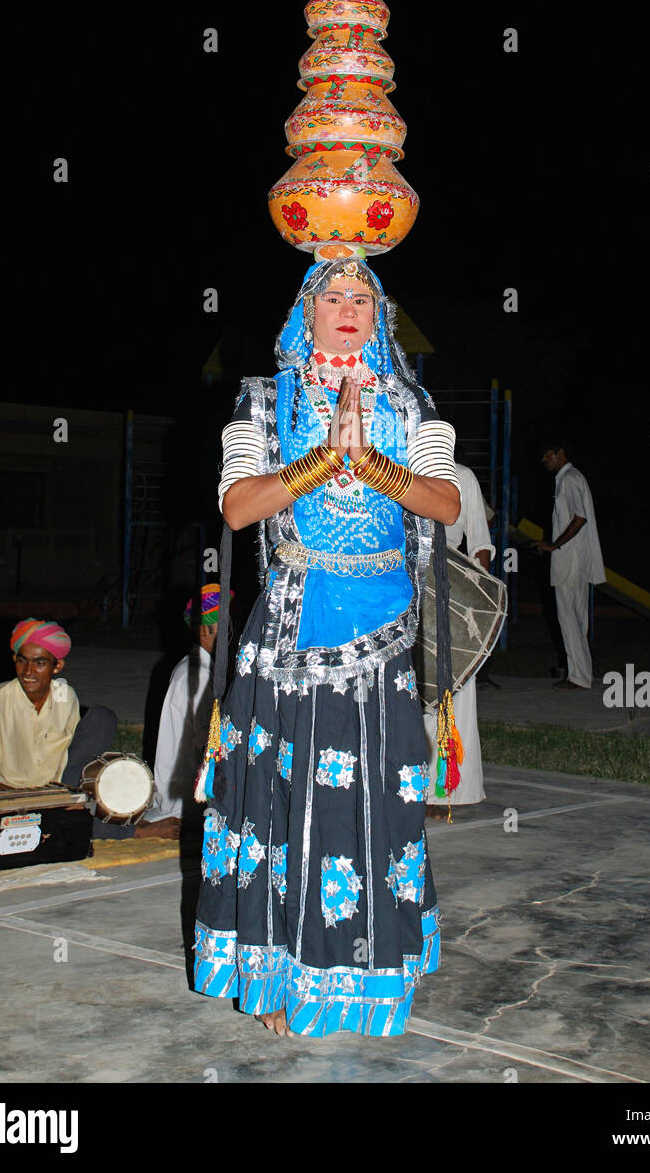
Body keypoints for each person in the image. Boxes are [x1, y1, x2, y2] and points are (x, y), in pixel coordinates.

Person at [192, 257, 461, 1037]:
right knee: (287, 805)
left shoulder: (413, 406)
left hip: (381, 635)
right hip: (291, 630)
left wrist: (371, 462)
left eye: (363, 298)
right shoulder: (263, 401)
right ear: (302, 316)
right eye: (333, 297)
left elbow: (441, 503)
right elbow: (241, 508)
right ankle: (280, 979)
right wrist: (321, 462)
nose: (349, 308)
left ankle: (370, 980)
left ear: (381, 317)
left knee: (376, 811)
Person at [0, 617, 175, 839]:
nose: (28, 672)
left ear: (57, 666)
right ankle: (130, 830)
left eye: (39, 663)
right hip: (15, 801)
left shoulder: (65, 697)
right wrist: (43, 802)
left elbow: (78, 757)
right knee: (61, 821)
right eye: (22, 661)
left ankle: (75, 809)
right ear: (14, 660)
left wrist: (72, 794)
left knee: (102, 718)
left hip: (62, 789)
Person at [424, 462, 495, 814]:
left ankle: (449, 791)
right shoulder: (396, 465)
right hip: (403, 584)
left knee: (454, 691)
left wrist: (476, 603)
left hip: (450, 587)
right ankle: (410, 786)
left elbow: (480, 544)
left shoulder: (462, 475)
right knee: (412, 690)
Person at [141, 585, 226, 836]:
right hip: (186, 806)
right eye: (229, 625)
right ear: (205, 630)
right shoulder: (197, 675)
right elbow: (209, 746)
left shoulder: (198, 668)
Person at [532, 444, 605, 690]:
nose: (544, 458)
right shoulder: (571, 478)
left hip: (570, 562)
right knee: (576, 618)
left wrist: (554, 545)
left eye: (548, 453)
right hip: (574, 560)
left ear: (561, 452)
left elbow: (580, 517)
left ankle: (578, 676)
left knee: (569, 618)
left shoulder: (570, 479)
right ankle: (580, 673)